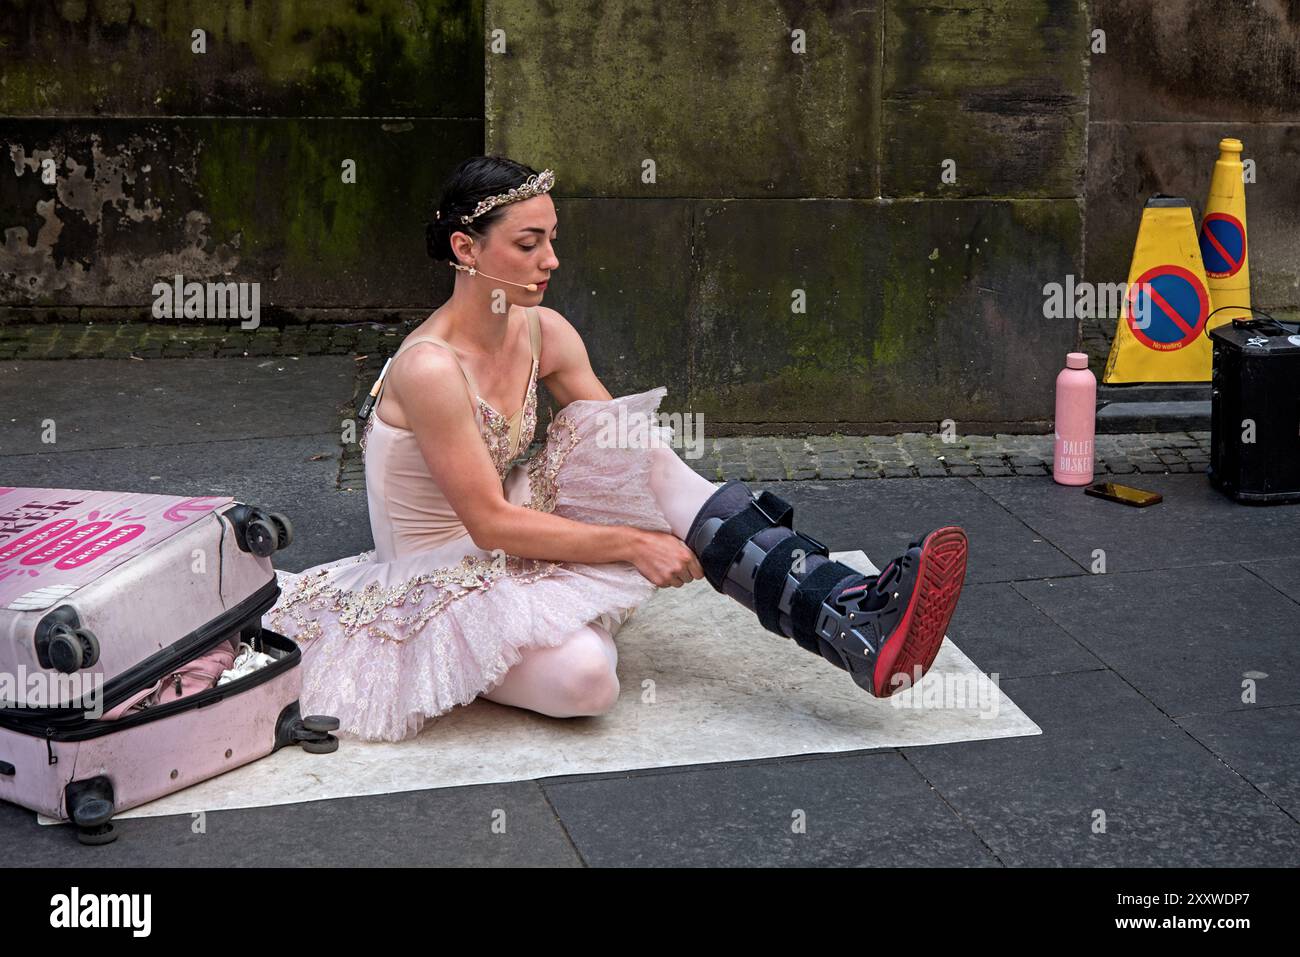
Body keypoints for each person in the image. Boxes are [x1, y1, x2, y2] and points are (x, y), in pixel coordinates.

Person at [267, 155, 969, 743]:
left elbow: (623, 453)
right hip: (436, 573)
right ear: (466, 249)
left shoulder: (544, 330)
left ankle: (840, 609)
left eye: (552, 238)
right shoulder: (428, 367)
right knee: (588, 680)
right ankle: (500, 642)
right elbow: (487, 524)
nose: (552, 259)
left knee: (644, 451)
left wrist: (651, 502)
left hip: (513, 525)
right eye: (528, 243)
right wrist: (631, 545)